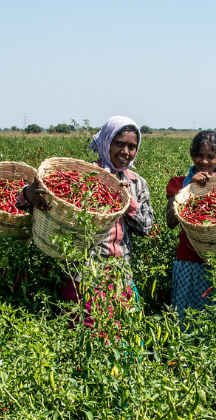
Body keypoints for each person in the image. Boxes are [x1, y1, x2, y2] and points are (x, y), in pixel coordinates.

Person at [22, 116, 156, 309]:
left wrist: (129, 205)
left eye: (131, 146)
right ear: (107, 142)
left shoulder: (137, 183)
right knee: (89, 330)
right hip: (85, 272)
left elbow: (147, 227)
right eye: (119, 144)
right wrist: (29, 193)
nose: (126, 152)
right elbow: (42, 194)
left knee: (123, 331)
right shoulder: (87, 174)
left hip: (121, 272)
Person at [165, 130, 216, 314]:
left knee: (214, 318)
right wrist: (190, 188)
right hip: (188, 261)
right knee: (184, 318)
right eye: (199, 155)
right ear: (192, 156)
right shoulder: (178, 183)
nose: (204, 162)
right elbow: (170, 221)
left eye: (210, 156)